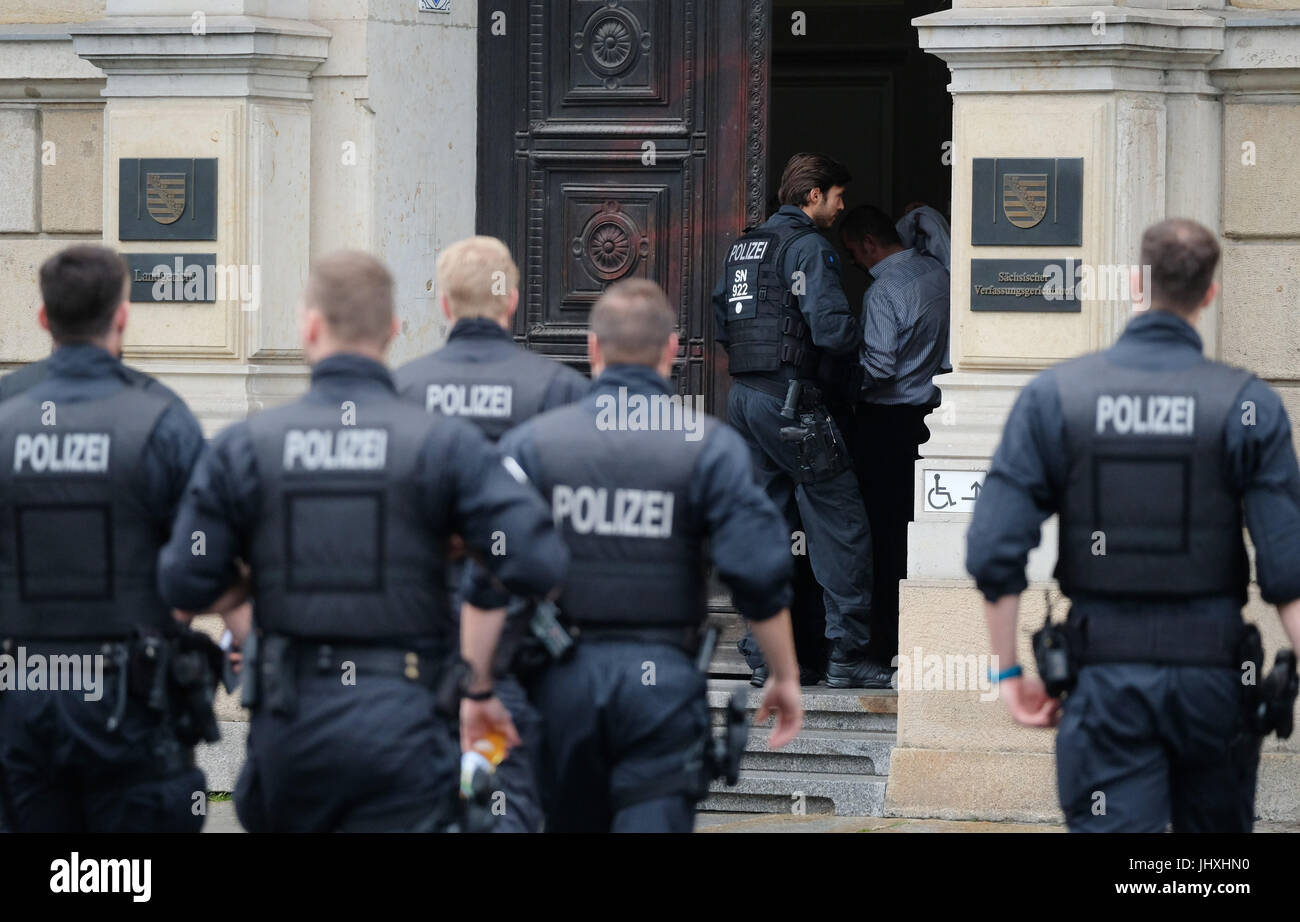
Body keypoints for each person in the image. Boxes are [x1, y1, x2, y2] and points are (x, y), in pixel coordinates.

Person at [157, 250, 568, 832]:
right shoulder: (443, 444)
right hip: (404, 722)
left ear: (308, 327)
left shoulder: (246, 446)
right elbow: (538, 559)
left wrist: (249, 581)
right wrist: (467, 546)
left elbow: (182, 580)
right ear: (394, 330)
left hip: (291, 725)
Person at [967, 218, 1300, 832]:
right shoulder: (1247, 404)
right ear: (1210, 293)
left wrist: (1009, 673)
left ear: (1134, 284)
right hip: (1215, 686)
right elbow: (1288, 570)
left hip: (1103, 686)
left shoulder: (1056, 396)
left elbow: (993, 550)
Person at [461, 278, 804, 832]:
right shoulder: (710, 447)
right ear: (670, 350)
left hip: (561, 684)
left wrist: (477, 687)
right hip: (663, 686)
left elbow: (488, 575)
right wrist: (783, 674)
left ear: (593, 350)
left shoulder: (532, 445)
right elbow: (758, 572)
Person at [0, 245, 230, 832]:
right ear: (122, 315)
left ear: (44, 319)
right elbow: (201, 565)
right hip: (129, 701)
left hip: (20, 697)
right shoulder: (163, 420)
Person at [394, 236, 588, 833]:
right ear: (512, 304)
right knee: (513, 800)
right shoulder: (559, 390)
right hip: (523, 641)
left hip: (415, 637)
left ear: (445, 307)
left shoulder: (399, 391)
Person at [711, 152, 891, 689]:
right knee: (841, 524)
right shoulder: (808, 247)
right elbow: (833, 331)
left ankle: (765, 657)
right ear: (813, 194)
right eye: (838, 195)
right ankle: (847, 654)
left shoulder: (744, 247)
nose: (841, 206)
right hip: (793, 406)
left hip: (745, 400)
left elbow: (724, 319)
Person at [839, 204, 950, 664]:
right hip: (927, 419)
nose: (853, 262)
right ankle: (919, 636)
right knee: (913, 529)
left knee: (880, 538)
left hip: (885, 426)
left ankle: (883, 643)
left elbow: (880, 366)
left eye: (852, 253)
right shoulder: (937, 273)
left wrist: (841, 386)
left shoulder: (884, 291)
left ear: (867, 243)